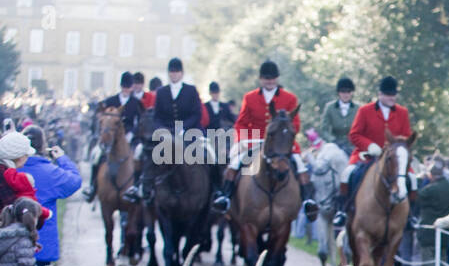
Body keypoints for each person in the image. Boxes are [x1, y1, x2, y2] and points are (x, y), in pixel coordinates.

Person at [211, 61, 318, 222]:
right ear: (261, 79)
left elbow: (295, 124)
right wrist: (245, 140)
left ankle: (307, 201)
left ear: (277, 79)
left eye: (273, 78)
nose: (270, 81)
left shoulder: (289, 98)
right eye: (266, 78)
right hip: (254, 140)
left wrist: (286, 141)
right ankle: (226, 198)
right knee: (235, 163)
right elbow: (241, 123)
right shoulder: (250, 97)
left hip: (280, 144)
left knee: (300, 165)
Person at [16, 126, 80, 266]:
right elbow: (75, 181)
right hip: (44, 247)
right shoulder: (50, 170)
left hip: (14, 245)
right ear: (43, 146)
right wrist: (62, 158)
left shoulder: (14, 169)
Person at [334, 77, 413, 229]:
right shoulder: (365, 110)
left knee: (412, 179)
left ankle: (410, 216)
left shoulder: (402, 112)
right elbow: (354, 134)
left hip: (394, 158)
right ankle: (343, 211)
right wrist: (369, 145)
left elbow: (406, 136)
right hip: (367, 155)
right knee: (348, 174)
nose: (391, 98)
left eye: (393, 95)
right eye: (388, 95)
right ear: (380, 94)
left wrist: (397, 147)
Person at [125, 58, 203, 204]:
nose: (174, 74)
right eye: (171, 72)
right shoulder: (162, 92)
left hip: (189, 132)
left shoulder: (191, 90)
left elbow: (196, 114)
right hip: (166, 133)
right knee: (142, 152)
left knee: (209, 153)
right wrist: (163, 131)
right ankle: (138, 186)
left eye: (176, 72)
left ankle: (217, 190)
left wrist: (182, 129)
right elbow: (157, 117)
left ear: (182, 73)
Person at [82, 72, 142, 201]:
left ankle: (137, 187)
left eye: (128, 87)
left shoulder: (136, 103)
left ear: (132, 87)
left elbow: (140, 121)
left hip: (130, 138)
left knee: (139, 155)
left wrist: (132, 134)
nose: (126, 89)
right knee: (96, 154)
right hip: (111, 139)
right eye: (124, 87)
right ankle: (92, 187)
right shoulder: (110, 101)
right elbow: (100, 119)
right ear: (121, 86)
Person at [319, 77, 358, 155]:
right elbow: (324, 129)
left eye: (348, 92)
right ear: (338, 93)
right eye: (343, 92)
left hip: (353, 146)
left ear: (351, 93)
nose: (346, 94)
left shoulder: (358, 108)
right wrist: (333, 140)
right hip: (335, 144)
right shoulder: (330, 107)